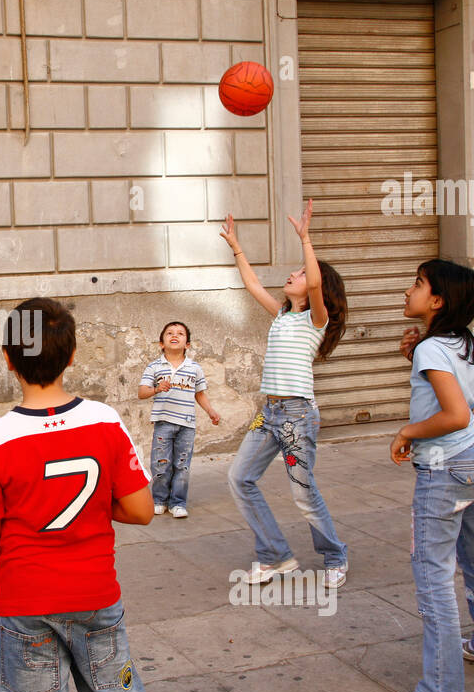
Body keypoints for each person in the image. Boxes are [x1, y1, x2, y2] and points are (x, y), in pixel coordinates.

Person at [0, 297, 160, 692]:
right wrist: (95, 505)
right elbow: (142, 510)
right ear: (72, 356)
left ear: (7, 359)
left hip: (25, 602)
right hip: (95, 595)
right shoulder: (106, 422)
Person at [383, 260, 474, 692]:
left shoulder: (431, 348)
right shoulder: (461, 341)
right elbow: (459, 399)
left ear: (437, 301)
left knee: (432, 574)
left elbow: (454, 413)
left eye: (416, 284)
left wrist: (407, 431)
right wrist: (416, 357)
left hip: (447, 466)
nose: (407, 291)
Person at [219, 200, 350, 588]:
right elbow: (252, 284)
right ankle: (275, 555)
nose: (293, 275)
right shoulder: (281, 314)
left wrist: (305, 238)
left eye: (299, 273)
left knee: (302, 490)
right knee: (239, 477)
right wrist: (237, 247)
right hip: (269, 413)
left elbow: (313, 281)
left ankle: (335, 556)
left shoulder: (315, 320)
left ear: (314, 290)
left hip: (296, 415)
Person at [137, 321, 221, 518]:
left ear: (187, 344)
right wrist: (157, 389)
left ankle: (178, 502)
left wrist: (211, 412)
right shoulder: (154, 366)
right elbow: (142, 392)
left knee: (182, 465)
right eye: (169, 333)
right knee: (160, 464)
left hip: (187, 424)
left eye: (180, 333)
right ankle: (159, 500)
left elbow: (200, 394)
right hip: (163, 423)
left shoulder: (194, 368)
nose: (175, 335)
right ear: (161, 343)